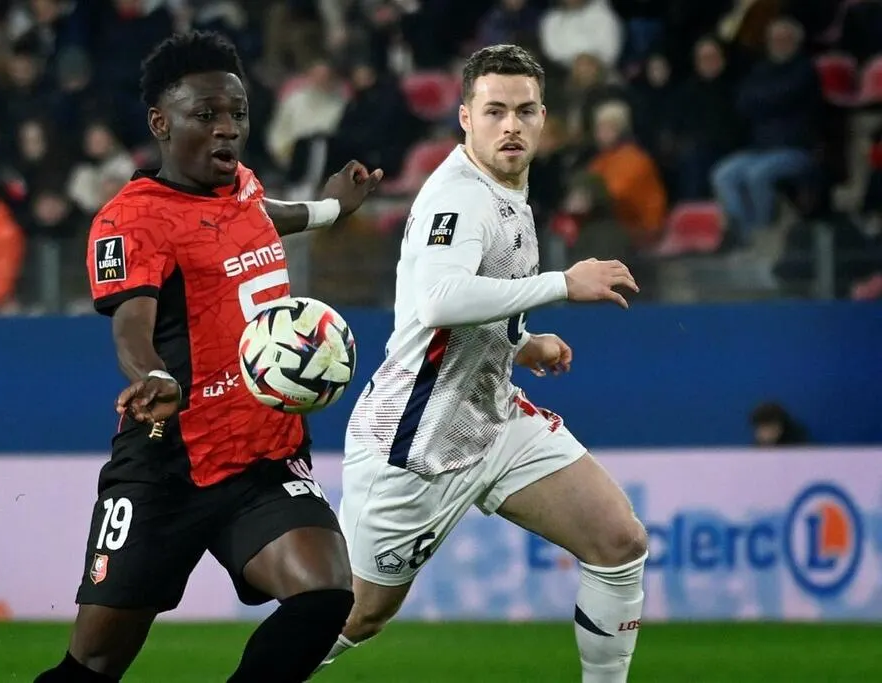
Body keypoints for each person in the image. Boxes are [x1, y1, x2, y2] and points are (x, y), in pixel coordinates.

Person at [33, 31, 382, 683]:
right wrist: (153, 375)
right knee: (95, 662)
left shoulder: (241, 188)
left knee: (325, 593)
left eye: (238, 114)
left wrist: (334, 206)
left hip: (262, 456)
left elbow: (265, 214)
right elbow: (131, 326)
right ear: (161, 123)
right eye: (207, 115)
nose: (228, 131)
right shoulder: (131, 220)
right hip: (167, 460)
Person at [314, 44, 648, 682]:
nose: (512, 125)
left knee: (618, 541)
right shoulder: (458, 198)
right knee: (359, 615)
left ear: (545, 116)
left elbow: (437, 300)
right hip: (419, 437)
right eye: (494, 111)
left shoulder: (507, 190)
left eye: (525, 111)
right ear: (465, 117)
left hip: (492, 417)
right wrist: (562, 284)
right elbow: (440, 301)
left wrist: (520, 342)